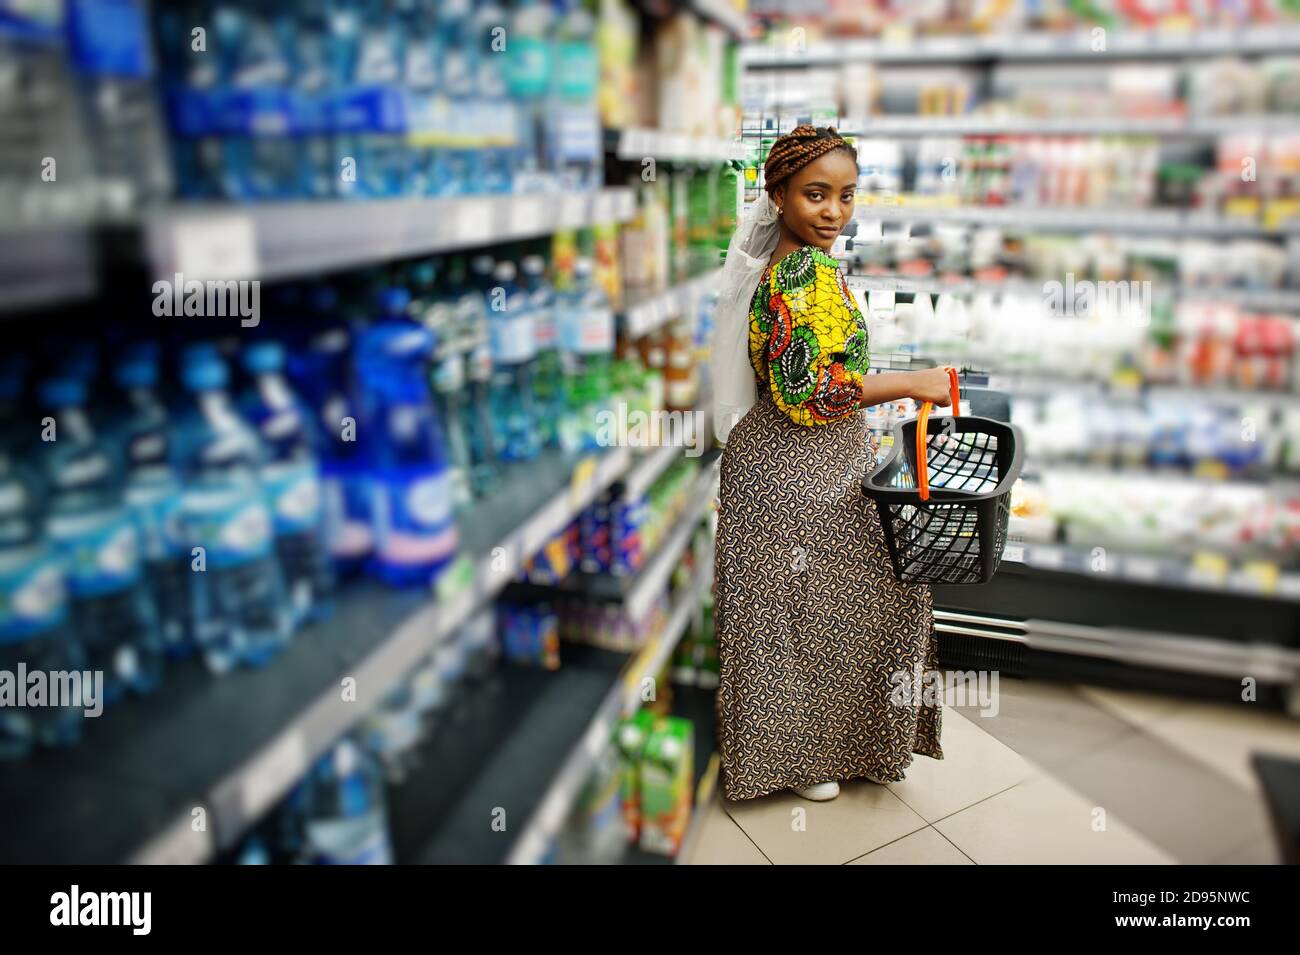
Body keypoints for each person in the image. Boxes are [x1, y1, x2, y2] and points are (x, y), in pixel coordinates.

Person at [710, 125, 953, 802]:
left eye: (846, 196)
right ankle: (807, 757)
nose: (833, 211)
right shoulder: (798, 271)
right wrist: (915, 383)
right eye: (815, 195)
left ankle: (813, 752)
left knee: (802, 615)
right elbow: (810, 390)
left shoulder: (799, 264)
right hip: (796, 471)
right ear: (780, 194)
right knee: (830, 610)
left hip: (798, 466)